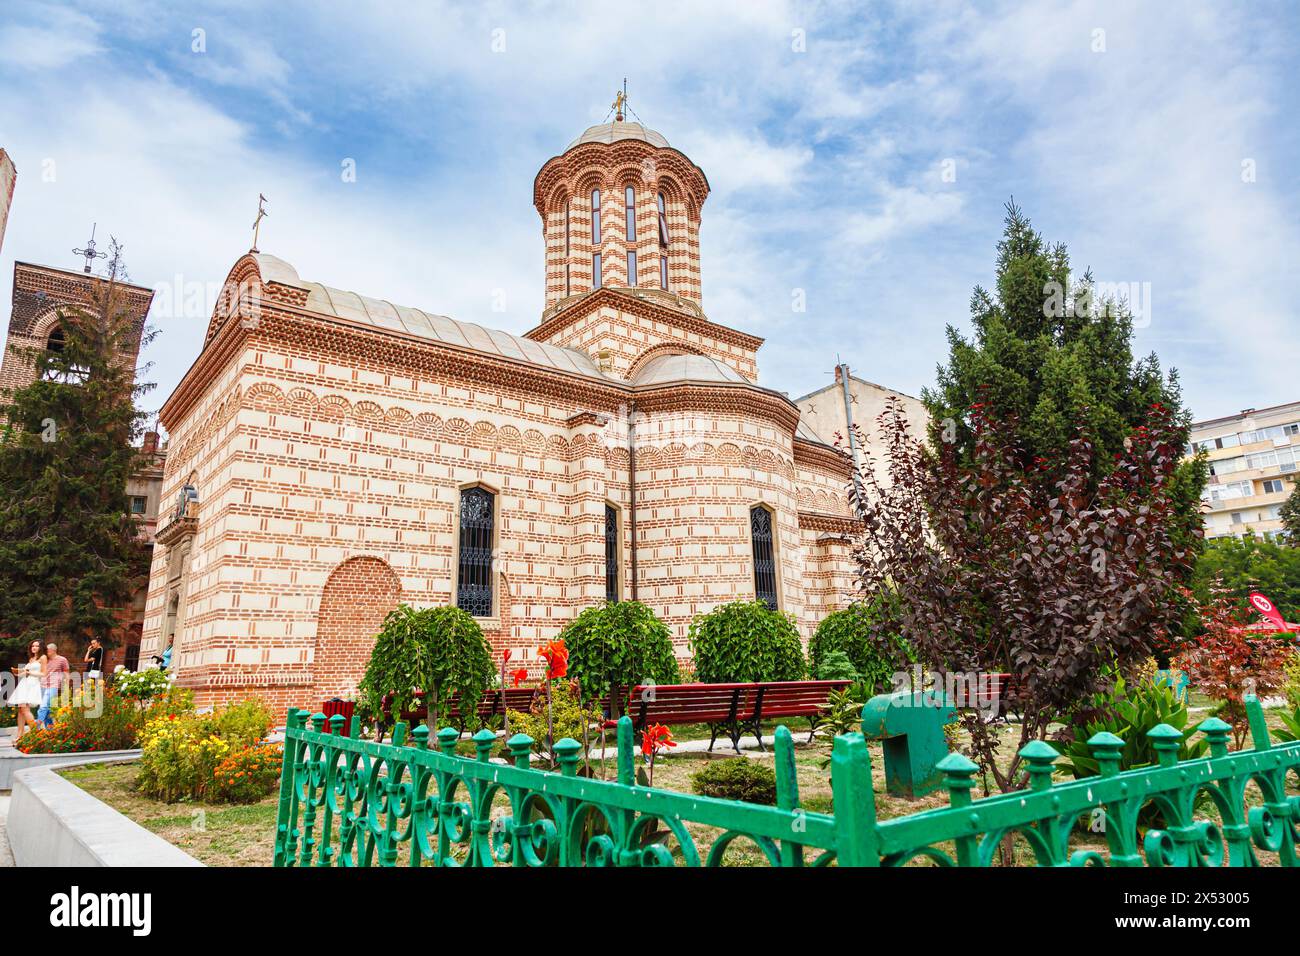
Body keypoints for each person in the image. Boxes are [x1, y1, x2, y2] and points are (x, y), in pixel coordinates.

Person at [8, 641, 45, 738]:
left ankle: (36, 733)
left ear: (41, 647)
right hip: (25, 683)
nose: (34, 647)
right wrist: (17, 673)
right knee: (21, 709)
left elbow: (43, 673)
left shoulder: (43, 658)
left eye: (37, 646)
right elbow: (26, 672)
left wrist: (29, 673)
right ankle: (20, 735)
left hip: (33, 684)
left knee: (25, 709)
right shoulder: (31, 659)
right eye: (33, 646)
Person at [36, 642, 69, 729]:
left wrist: (66, 685)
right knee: (48, 709)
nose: (46, 652)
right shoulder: (44, 659)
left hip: (54, 685)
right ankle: (50, 730)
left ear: (53, 650)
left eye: (47, 651)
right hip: (43, 684)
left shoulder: (62, 660)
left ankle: (37, 724)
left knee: (44, 705)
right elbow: (35, 665)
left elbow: (66, 673)